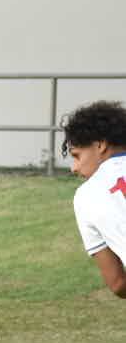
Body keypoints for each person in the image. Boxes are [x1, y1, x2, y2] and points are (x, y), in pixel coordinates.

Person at [61, 100, 126, 298]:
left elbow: (117, 283)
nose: (74, 168)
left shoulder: (86, 196)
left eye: (77, 156)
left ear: (100, 145)